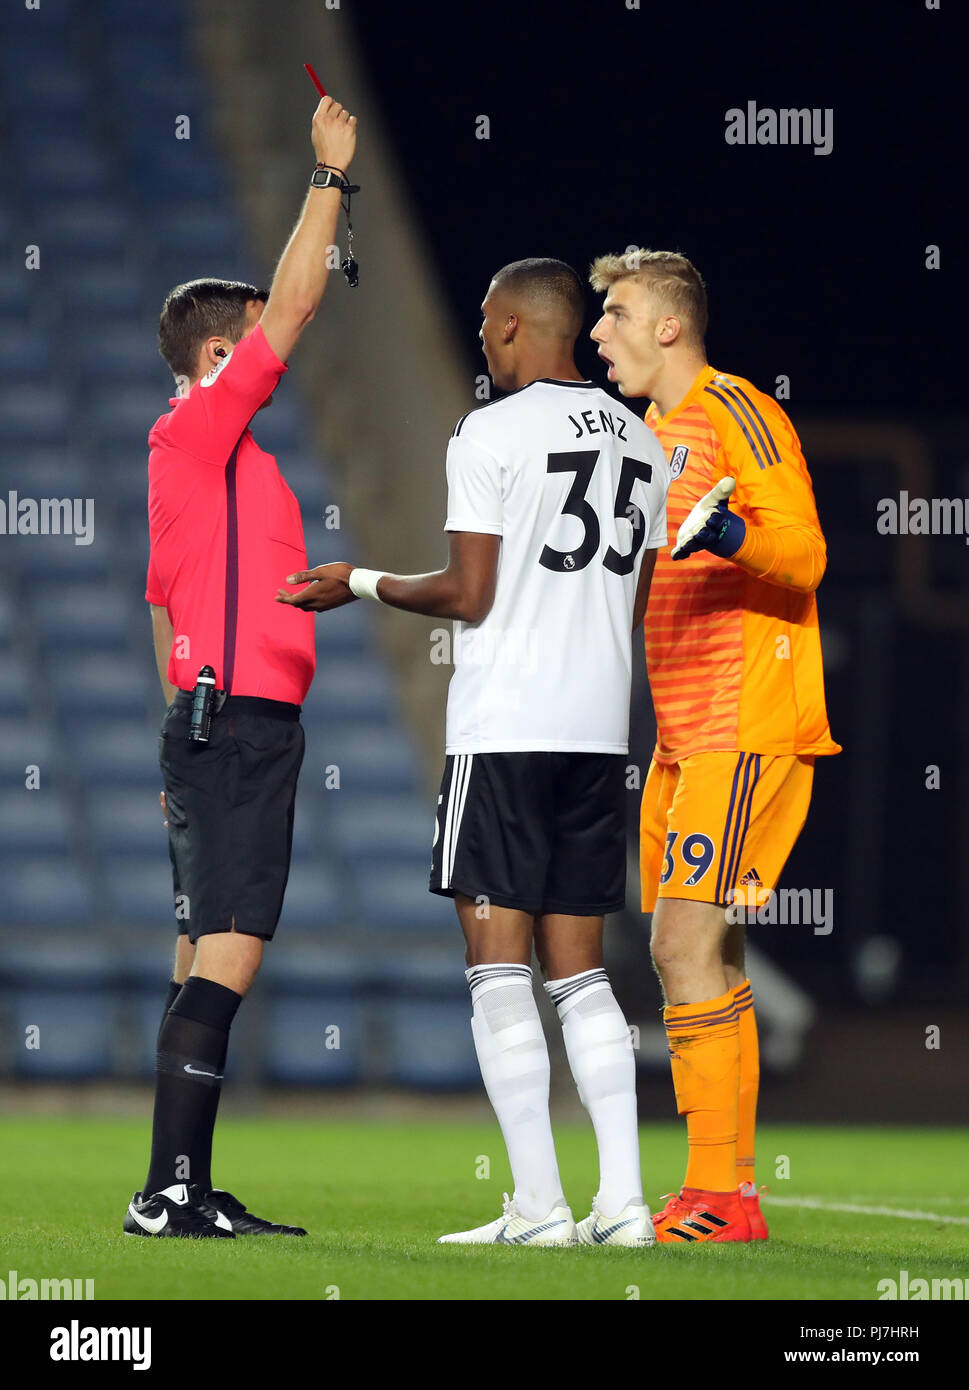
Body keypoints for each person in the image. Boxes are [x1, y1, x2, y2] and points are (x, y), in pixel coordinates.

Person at [278, 258, 670, 1246]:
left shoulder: (489, 431)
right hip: (594, 734)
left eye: (490, 326)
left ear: (507, 328)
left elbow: (471, 592)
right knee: (581, 972)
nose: (486, 342)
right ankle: (623, 1205)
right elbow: (639, 597)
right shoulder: (643, 439)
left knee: (497, 964)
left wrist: (357, 580)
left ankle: (539, 1206)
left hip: (504, 729)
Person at [124, 95, 358, 1239]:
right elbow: (303, 297)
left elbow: (166, 599)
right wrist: (329, 180)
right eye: (254, 340)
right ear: (218, 356)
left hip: (216, 724)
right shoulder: (200, 430)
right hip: (236, 727)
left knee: (200, 952)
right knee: (229, 954)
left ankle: (179, 1186)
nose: (277, 352)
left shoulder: (210, 461)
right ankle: (171, 1193)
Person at [589, 248, 841, 1243]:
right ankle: (724, 1194)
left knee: (678, 943)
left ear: (667, 326)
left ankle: (719, 1196)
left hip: (743, 722)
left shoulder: (737, 410)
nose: (599, 331)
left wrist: (728, 531)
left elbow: (808, 551)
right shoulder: (655, 435)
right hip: (686, 736)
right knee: (709, 954)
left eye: (615, 313)